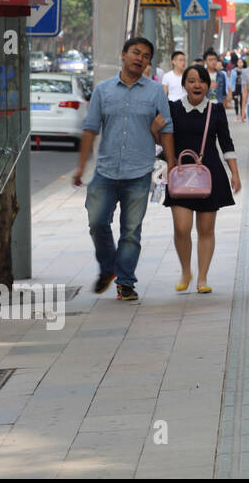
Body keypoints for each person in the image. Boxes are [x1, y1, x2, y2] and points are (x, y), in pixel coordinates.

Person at [72, 37, 176, 302]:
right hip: (105, 171)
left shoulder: (155, 92)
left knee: (131, 231)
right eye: (136, 52)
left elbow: (166, 129)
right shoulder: (103, 90)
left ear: (148, 63)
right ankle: (108, 268)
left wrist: (172, 165)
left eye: (145, 56)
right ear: (124, 55)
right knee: (97, 222)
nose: (140, 58)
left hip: (139, 172)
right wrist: (81, 166)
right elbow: (91, 128)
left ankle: (126, 282)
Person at [163, 65, 241, 293]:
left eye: (201, 81)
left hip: (210, 174)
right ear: (184, 84)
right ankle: (186, 270)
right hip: (179, 175)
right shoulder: (173, 109)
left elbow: (226, 143)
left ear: (208, 84)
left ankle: (202, 278)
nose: (197, 85)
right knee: (181, 227)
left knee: (206, 229)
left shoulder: (215, 111)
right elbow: (163, 138)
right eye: (191, 81)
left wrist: (234, 173)